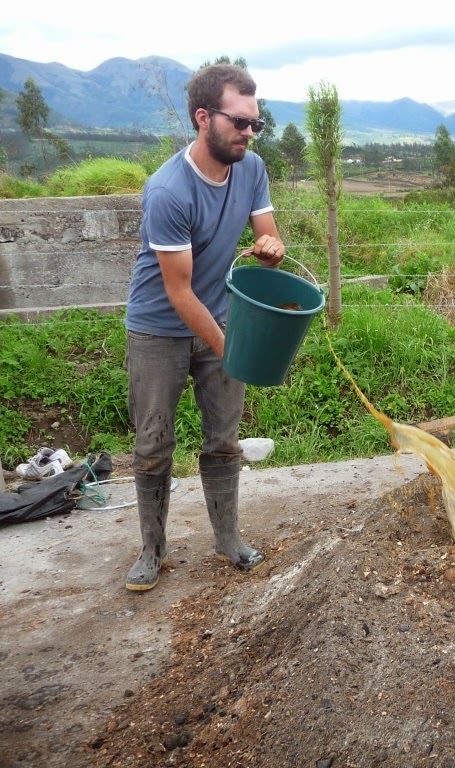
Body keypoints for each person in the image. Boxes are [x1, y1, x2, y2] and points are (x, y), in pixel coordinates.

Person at [123, 64, 285, 591]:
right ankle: (153, 550)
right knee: (153, 443)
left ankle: (228, 541)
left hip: (217, 317)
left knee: (223, 440)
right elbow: (178, 292)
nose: (249, 132)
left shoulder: (252, 168)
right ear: (203, 118)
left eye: (255, 123)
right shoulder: (168, 190)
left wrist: (271, 252)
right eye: (240, 122)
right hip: (157, 329)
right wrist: (232, 349)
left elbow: (268, 242)